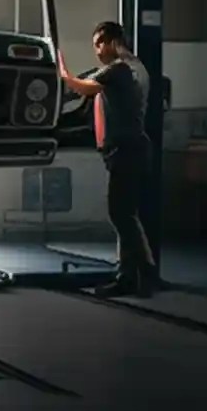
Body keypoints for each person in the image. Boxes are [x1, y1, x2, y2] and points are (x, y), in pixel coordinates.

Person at [58, 21, 157, 298]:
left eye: (98, 45)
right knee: (126, 214)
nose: (97, 52)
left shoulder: (119, 69)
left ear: (110, 42)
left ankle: (145, 272)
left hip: (126, 149)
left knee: (120, 213)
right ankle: (128, 277)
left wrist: (63, 73)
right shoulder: (136, 67)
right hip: (130, 148)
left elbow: (84, 88)